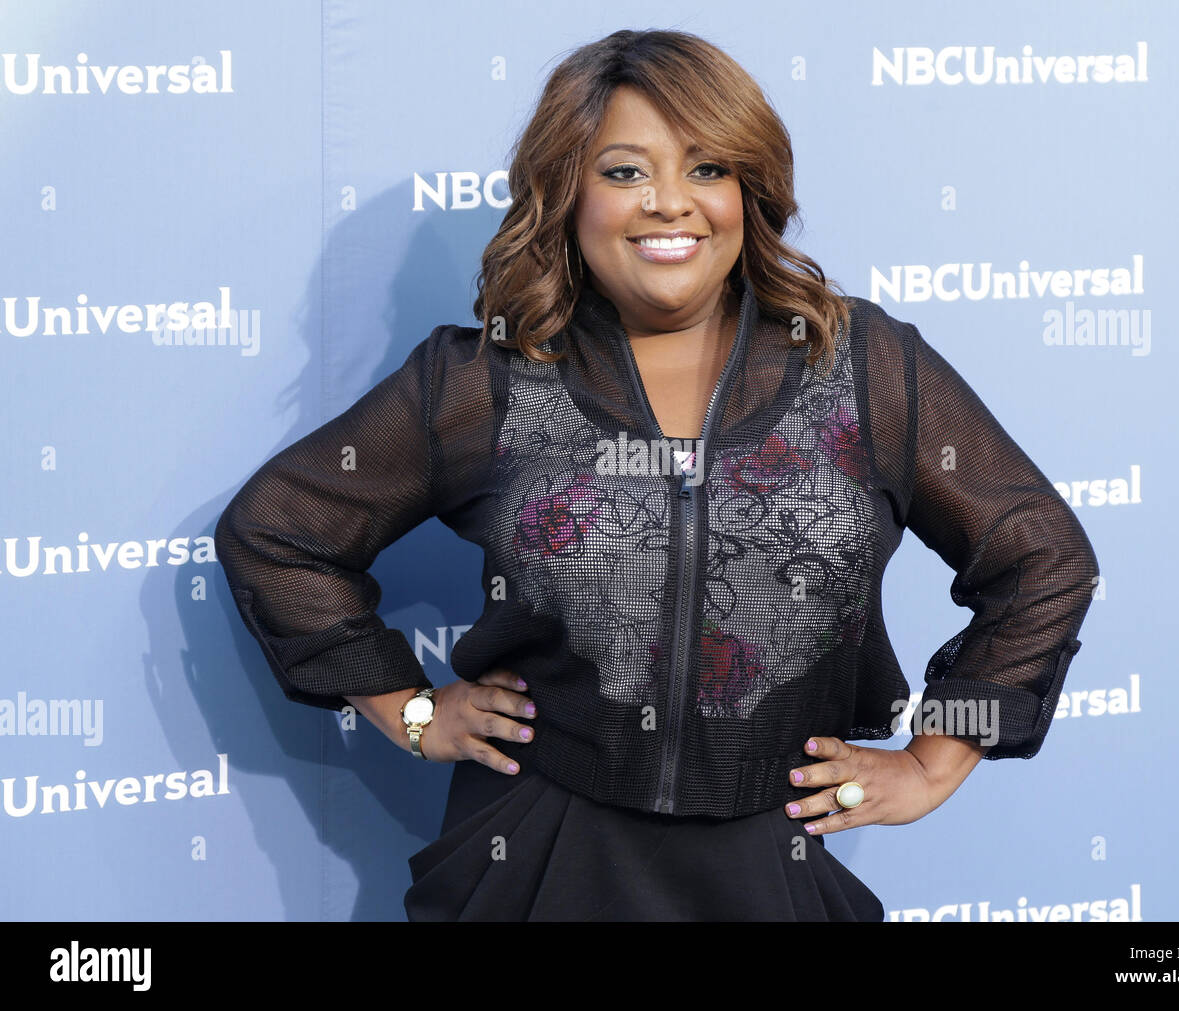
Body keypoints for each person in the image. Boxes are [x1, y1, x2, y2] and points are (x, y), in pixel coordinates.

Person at [213, 29, 1099, 922]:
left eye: (708, 168)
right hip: (534, 862)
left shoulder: (860, 364)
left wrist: (933, 761)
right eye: (626, 172)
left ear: (750, 192)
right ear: (568, 191)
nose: (670, 204)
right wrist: (409, 714)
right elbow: (278, 534)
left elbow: (1044, 560)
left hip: (769, 867)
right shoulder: (487, 380)